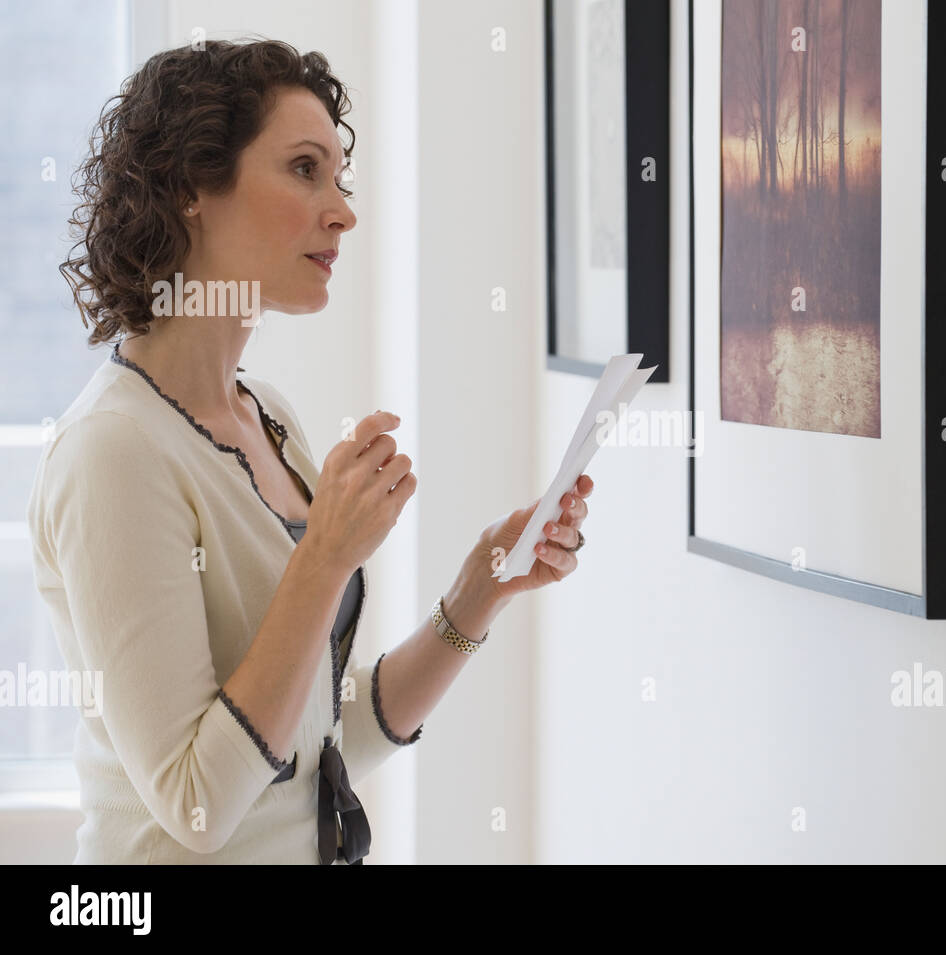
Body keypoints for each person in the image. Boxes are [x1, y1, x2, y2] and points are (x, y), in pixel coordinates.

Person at [26, 37, 593, 864]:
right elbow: (196, 803)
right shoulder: (113, 452)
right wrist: (323, 558)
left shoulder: (270, 418)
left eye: (339, 176)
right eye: (303, 169)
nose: (343, 210)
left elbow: (310, 747)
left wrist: (480, 591)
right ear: (190, 187)